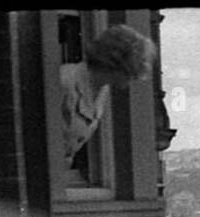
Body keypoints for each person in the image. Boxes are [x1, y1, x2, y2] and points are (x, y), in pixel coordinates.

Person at [60, 24, 156, 167]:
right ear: (116, 64)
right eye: (131, 72)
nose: (133, 79)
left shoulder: (102, 91)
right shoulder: (65, 81)